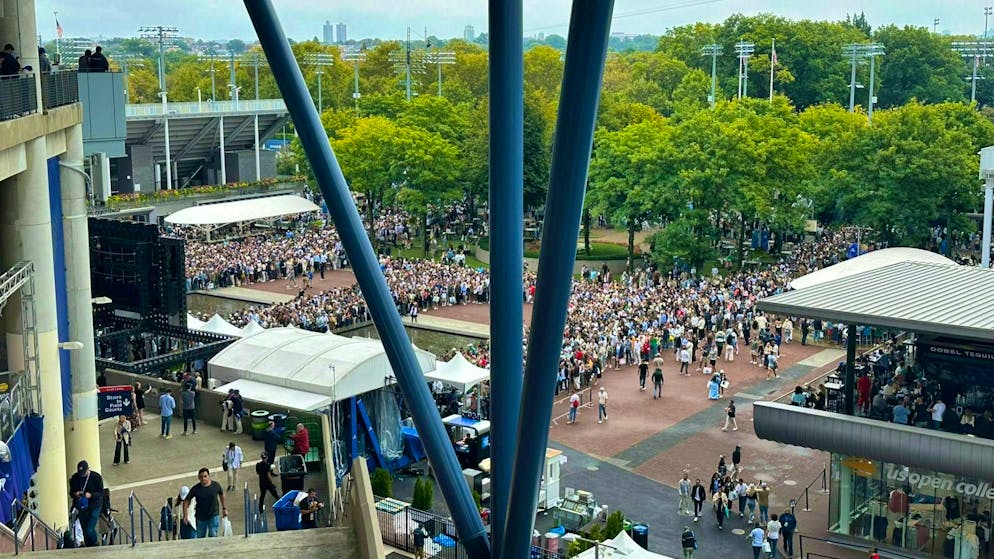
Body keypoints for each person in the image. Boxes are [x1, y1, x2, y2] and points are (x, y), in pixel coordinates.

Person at [183, 468, 226, 538]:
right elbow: (186, 501)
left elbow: (221, 495)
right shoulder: (196, 489)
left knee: (213, 535)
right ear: (199, 478)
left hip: (213, 515)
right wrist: (185, 515)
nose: (203, 479)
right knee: (200, 537)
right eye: (201, 477)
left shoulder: (215, 485)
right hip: (201, 518)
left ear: (209, 476)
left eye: (205, 476)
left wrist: (224, 508)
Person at [69, 460, 104, 547]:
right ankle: (89, 545)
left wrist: (91, 495)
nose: (82, 475)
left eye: (84, 473)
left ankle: (95, 543)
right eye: (80, 473)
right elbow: (71, 492)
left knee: (89, 529)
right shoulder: (75, 478)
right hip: (82, 506)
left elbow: (101, 493)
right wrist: (76, 494)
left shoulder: (96, 477)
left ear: (88, 469)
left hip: (94, 505)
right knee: (84, 530)